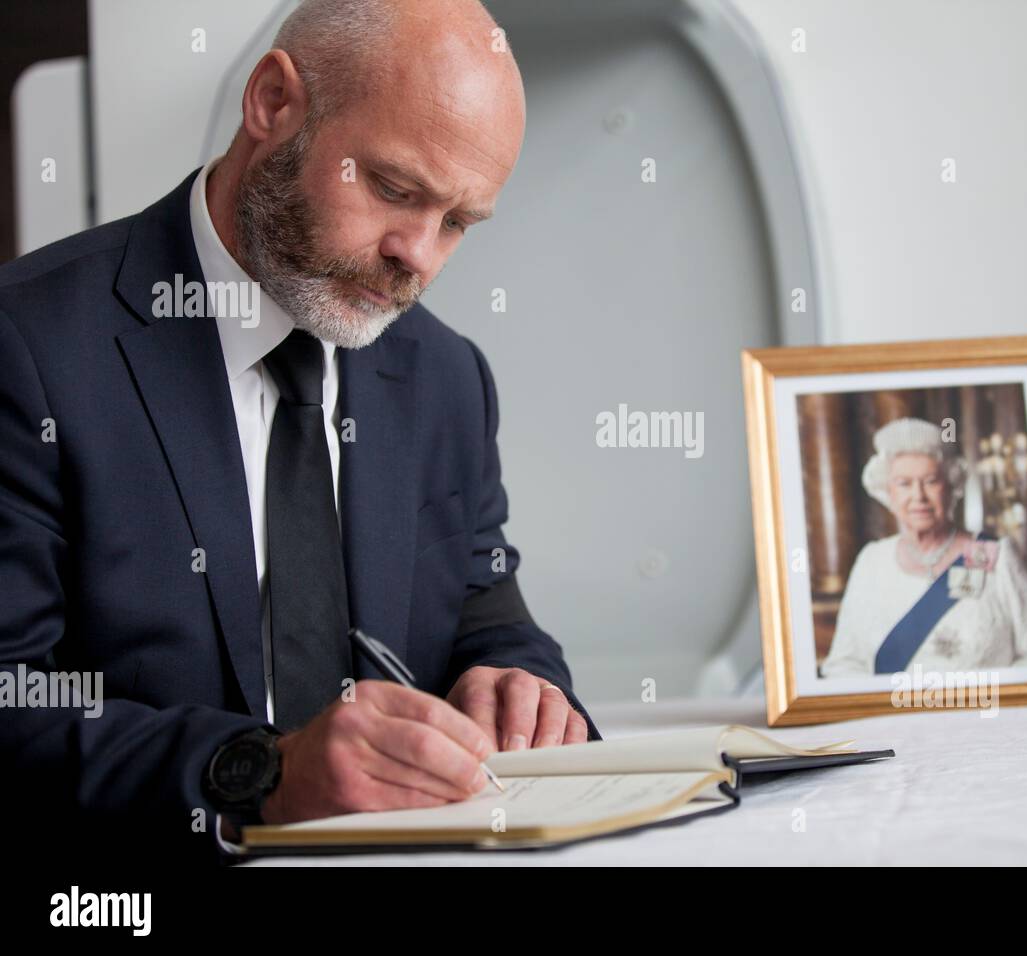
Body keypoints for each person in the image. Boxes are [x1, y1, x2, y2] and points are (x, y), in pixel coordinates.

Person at [0, 0, 596, 864]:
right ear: (273, 103)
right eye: (395, 189)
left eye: (459, 222)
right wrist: (263, 778)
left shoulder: (446, 380)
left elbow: (480, 603)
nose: (419, 256)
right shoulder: (28, 348)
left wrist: (520, 682)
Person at [819, 417, 1027, 678]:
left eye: (931, 481)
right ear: (888, 492)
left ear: (951, 487)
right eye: (904, 484)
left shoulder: (995, 557)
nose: (918, 496)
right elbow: (843, 664)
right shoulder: (871, 562)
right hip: (896, 716)